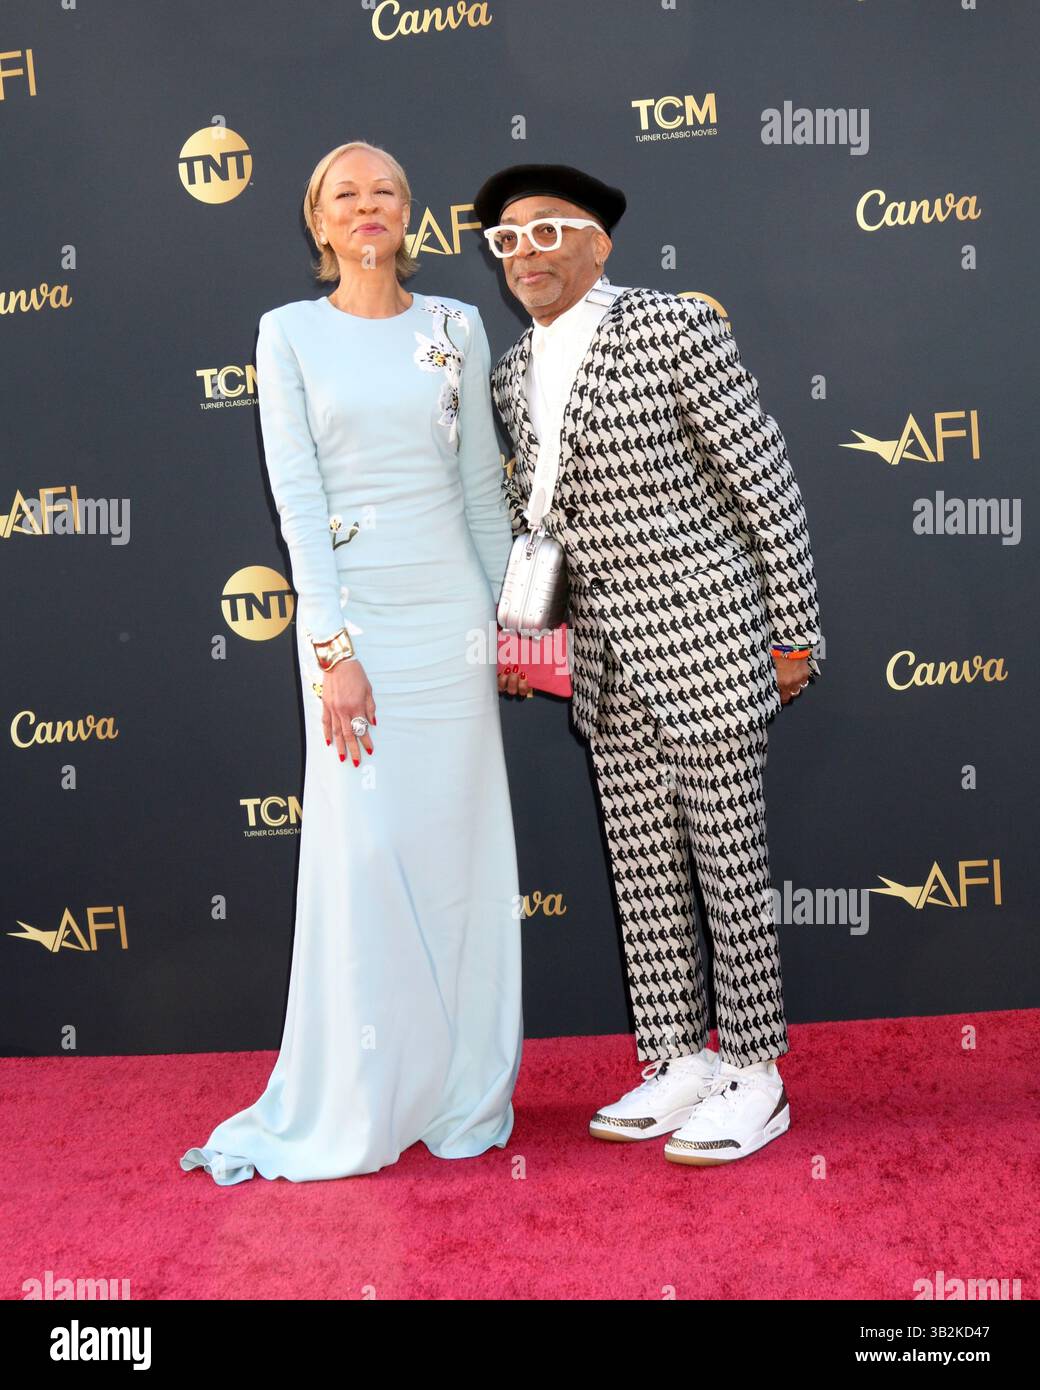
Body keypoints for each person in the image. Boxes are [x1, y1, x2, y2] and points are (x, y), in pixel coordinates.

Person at [180, 141, 522, 1184]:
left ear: (409, 215)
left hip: (453, 620)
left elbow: (478, 494)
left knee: (457, 860)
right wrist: (331, 654)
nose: (365, 208)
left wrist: (516, 619)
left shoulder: (456, 327)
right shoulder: (286, 335)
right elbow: (298, 507)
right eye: (344, 196)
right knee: (366, 859)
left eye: (383, 193)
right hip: (355, 628)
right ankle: (366, 1095)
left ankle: (462, 1090)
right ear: (318, 223)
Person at [476, 162, 822, 1165]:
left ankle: (755, 1075)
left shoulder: (673, 326)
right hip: (602, 666)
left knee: (727, 867)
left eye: (546, 233)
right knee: (641, 874)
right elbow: (532, 523)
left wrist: (791, 631)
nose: (524, 255)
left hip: (708, 642)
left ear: (599, 243)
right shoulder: (507, 373)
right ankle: (675, 1059)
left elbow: (765, 483)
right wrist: (529, 645)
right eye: (505, 240)